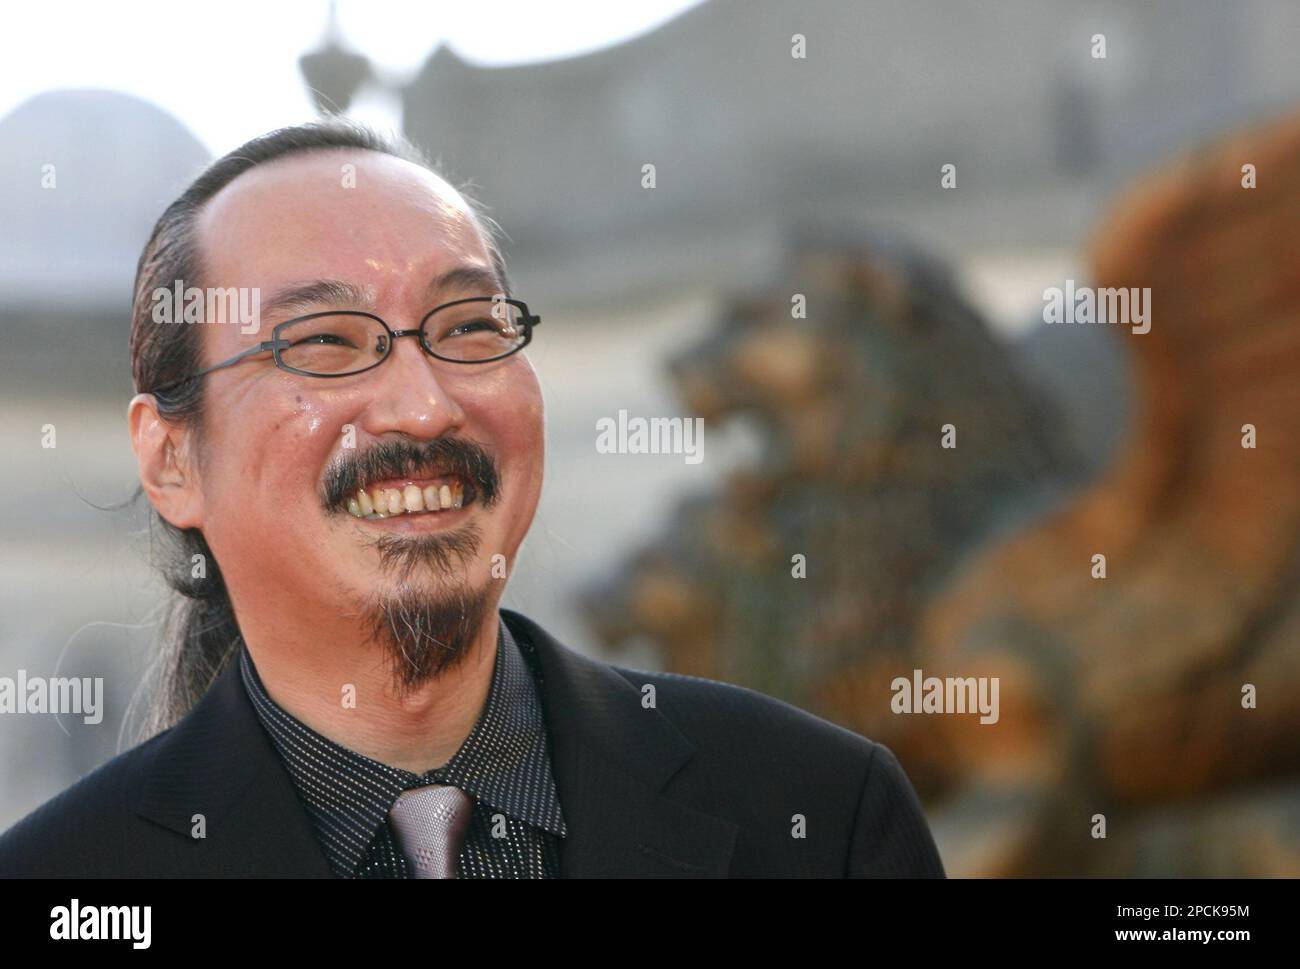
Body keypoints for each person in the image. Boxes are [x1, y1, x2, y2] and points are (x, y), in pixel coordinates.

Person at [0, 120, 944, 878]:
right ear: (171, 460)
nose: (424, 403)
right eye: (325, 341)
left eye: (466, 326)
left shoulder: (822, 816)